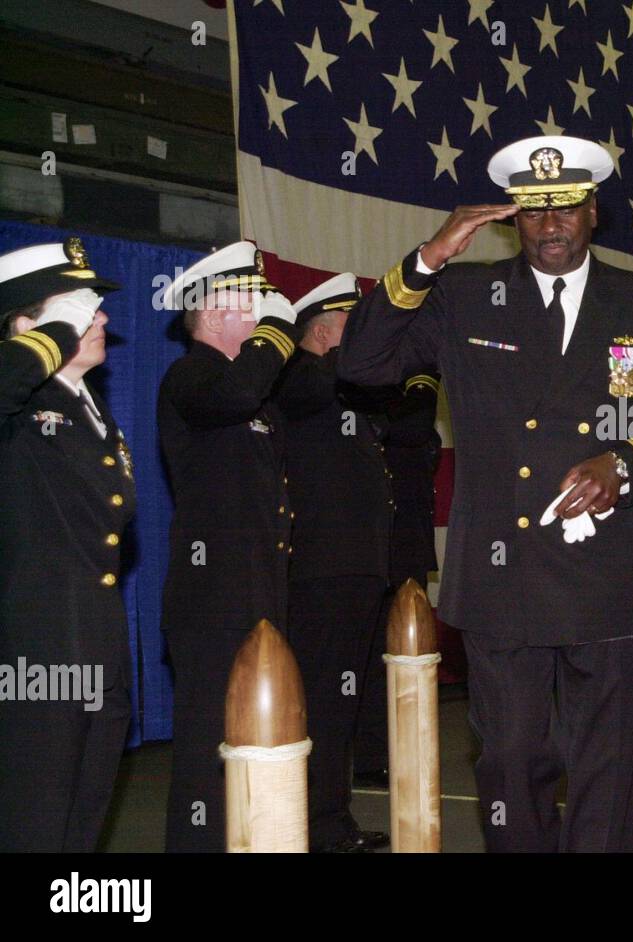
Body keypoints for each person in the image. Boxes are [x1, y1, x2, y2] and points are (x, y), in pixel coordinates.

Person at [336, 135, 633, 852]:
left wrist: (626, 467)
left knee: (607, 770)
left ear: (593, 211)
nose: (550, 224)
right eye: (535, 211)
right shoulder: (466, 295)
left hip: (609, 579)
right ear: (514, 219)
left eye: (565, 207)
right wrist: (429, 258)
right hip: (503, 579)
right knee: (512, 763)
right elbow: (362, 361)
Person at [158, 241, 301, 852]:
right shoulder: (192, 375)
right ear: (214, 312)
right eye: (254, 303)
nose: (266, 312)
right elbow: (239, 397)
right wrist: (279, 332)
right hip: (211, 591)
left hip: (256, 583)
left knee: (254, 735)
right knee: (205, 742)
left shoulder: (248, 388)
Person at [0, 240, 134, 851]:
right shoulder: (20, 409)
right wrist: (56, 329)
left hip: (98, 641)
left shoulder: (89, 410)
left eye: (95, 307)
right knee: (38, 812)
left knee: (85, 812)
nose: (98, 317)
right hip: (38, 652)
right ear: (27, 326)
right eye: (79, 307)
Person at [274, 272, 391, 852]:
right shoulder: (299, 375)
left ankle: (331, 821)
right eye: (352, 320)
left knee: (339, 704)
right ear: (321, 329)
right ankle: (311, 825)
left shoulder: (342, 386)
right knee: (320, 700)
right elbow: (307, 391)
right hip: (322, 570)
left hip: (354, 570)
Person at [353, 368, 442, 790]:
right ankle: (372, 754)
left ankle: (399, 749)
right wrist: (422, 380)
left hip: (406, 544)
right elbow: (413, 427)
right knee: (376, 658)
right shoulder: (375, 395)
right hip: (381, 547)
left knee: (410, 657)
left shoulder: (396, 397)